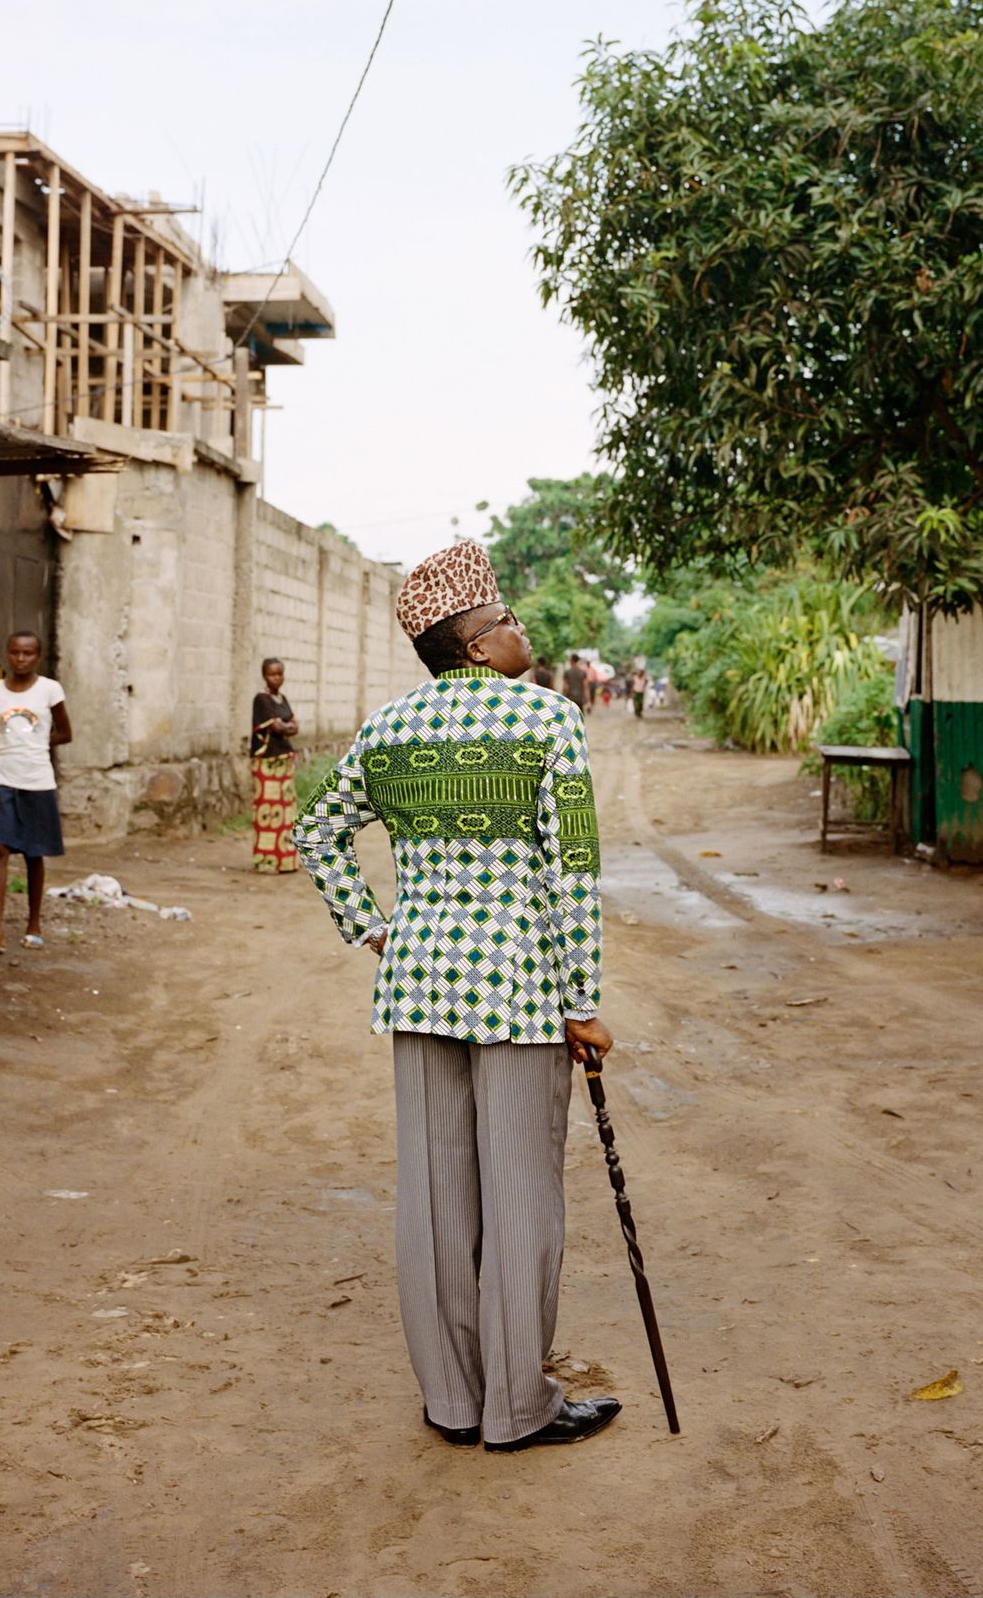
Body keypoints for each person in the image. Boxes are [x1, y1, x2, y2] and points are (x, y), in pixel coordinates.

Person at [295, 538, 620, 1453]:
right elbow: (573, 875)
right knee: (520, 1199)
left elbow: (318, 831)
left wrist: (374, 926)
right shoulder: (551, 721)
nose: (523, 628)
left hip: (418, 987)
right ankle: (518, 1406)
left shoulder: (389, 725)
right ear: (475, 644)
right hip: (520, 991)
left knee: (436, 1199)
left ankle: (453, 1400)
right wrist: (583, 1000)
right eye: (507, 618)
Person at [0, 631, 71, 954]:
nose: (20, 659)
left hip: (37, 781)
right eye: (15, 653)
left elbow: (65, 733)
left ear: (37, 657)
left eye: (27, 653)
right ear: (8, 654)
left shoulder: (49, 690)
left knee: (33, 852)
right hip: (3, 780)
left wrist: (37, 742)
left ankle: (34, 926)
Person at [250, 657, 300, 873]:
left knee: (287, 812)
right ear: (264, 675)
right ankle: (267, 861)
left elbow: (293, 726)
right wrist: (285, 726)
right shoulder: (261, 700)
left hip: (284, 761)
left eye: (280, 674)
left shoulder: (283, 699)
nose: (276, 678)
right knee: (268, 812)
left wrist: (286, 726)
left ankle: (286, 860)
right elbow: (279, 727)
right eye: (272, 674)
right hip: (267, 763)